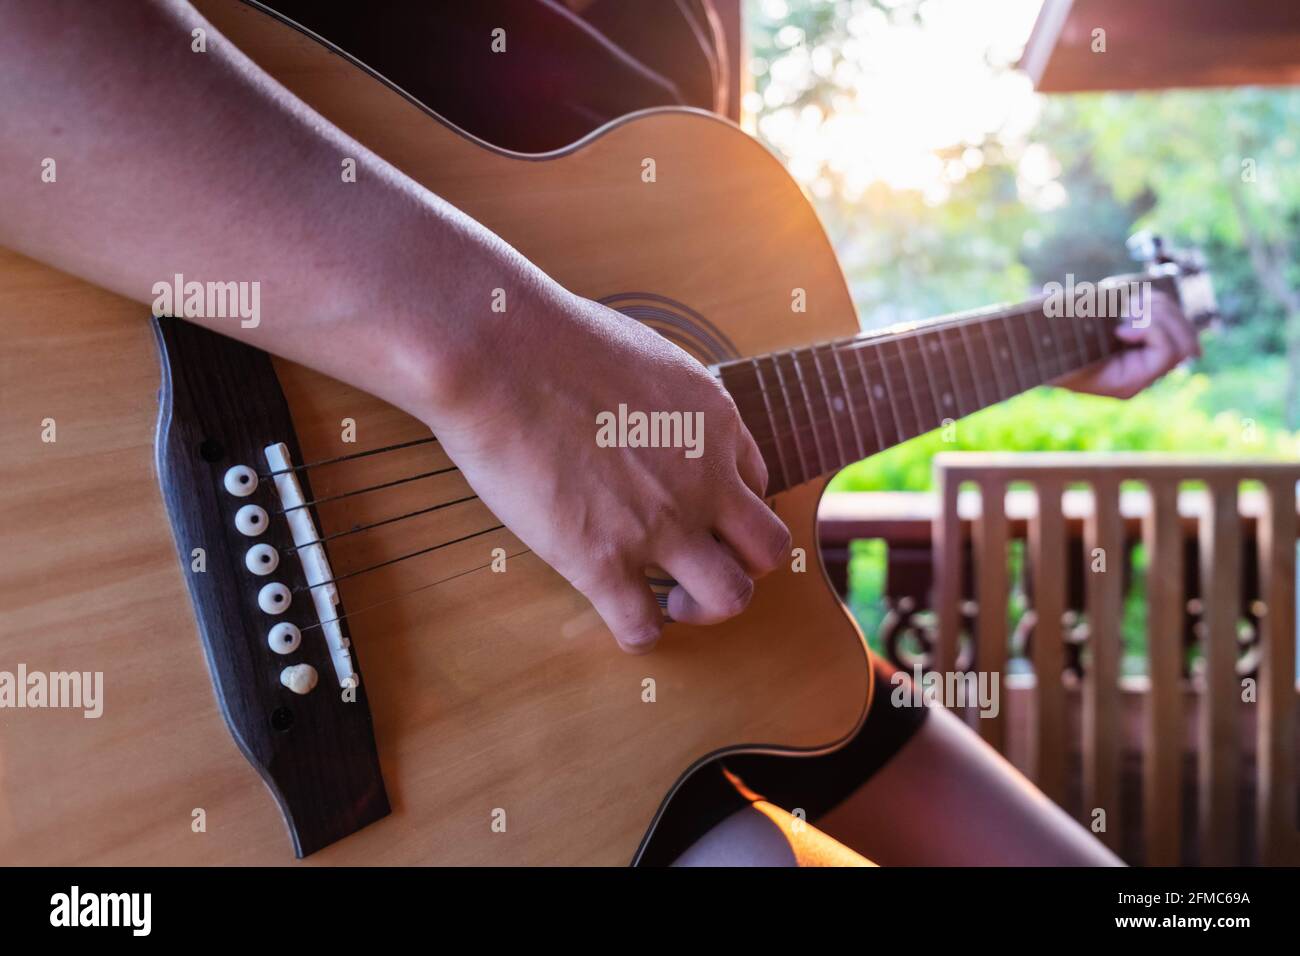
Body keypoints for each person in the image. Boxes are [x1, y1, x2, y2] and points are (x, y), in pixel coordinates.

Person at [0, 0, 1200, 866]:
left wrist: (1042, 341)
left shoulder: (708, 37)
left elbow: (660, 497)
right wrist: (491, 361)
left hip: (524, 752)